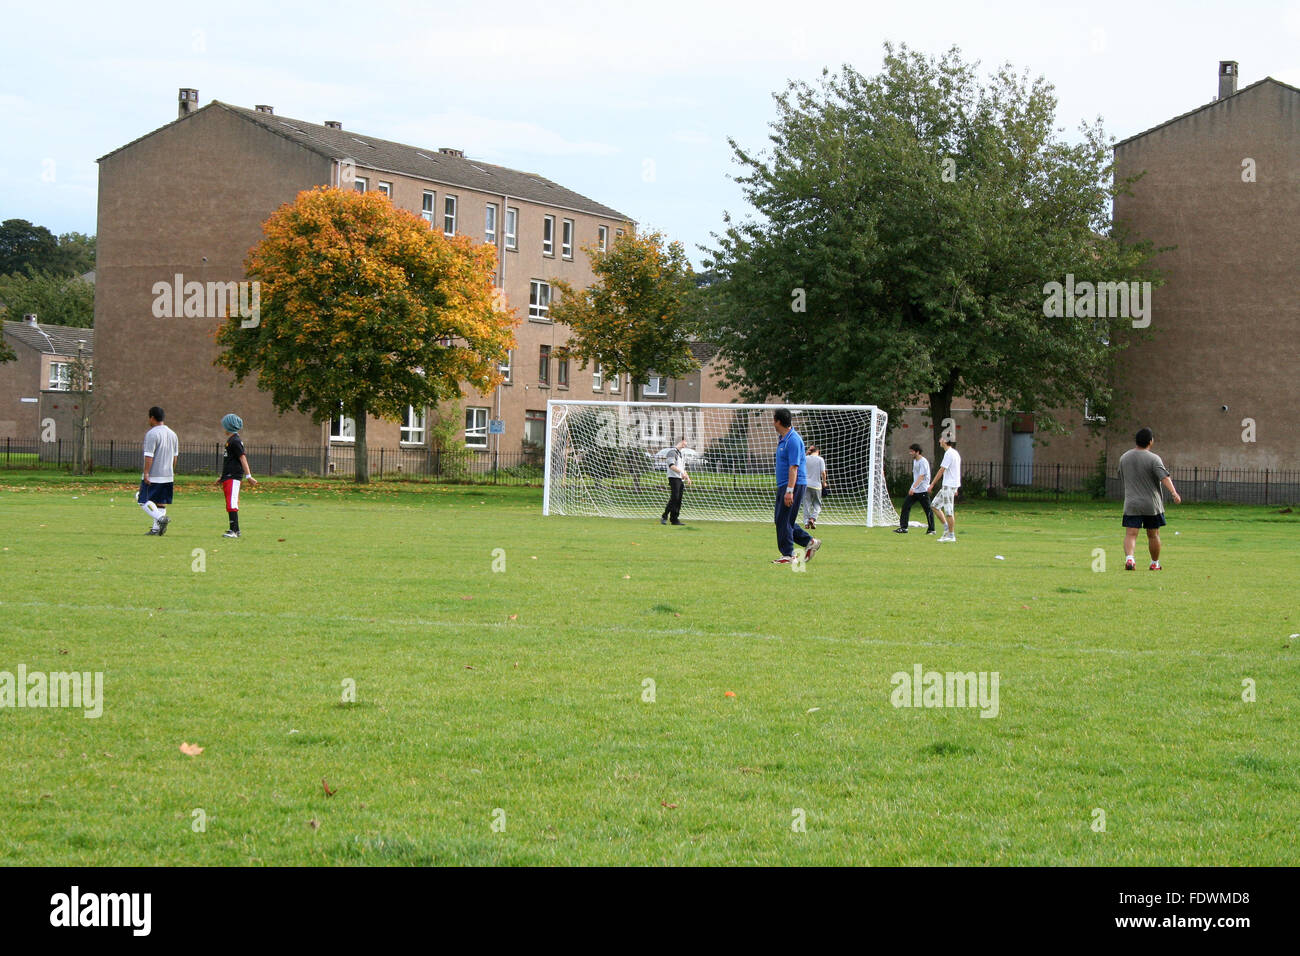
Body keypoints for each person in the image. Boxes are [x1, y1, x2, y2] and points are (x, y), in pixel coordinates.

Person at [1117, 427, 1181, 570]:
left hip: (1131, 503)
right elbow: (1164, 477)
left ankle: (1130, 559)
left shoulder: (1124, 457)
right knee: (1153, 535)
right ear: (1150, 441)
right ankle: (1154, 563)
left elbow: (1121, 476)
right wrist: (1174, 493)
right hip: (1151, 504)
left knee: (1131, 533)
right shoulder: (1153, 458)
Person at [772, 408, 821, 564]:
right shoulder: (784, 438)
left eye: (774, 419)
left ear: (778, 421)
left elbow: (794, 467)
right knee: (783, 520)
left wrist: (789, 491)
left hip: (793, 484)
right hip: (785, 484)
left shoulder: (793, 439)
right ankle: (809, 542)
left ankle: (788, 555)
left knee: (783, 520)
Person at [139, 406, 178, 536]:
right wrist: (171, 471)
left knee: (142, 500)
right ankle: (156, 529)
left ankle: (161, 519)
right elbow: (175, 456)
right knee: (160, 503)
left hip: (154, 475)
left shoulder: (152, 433)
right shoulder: (173, 434)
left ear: (152, 418)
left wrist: (146, 473)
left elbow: (149, 456)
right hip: (168, 475)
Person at [218, 413, 258, 538]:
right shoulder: (230, 441)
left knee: (232, 503)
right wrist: (222, 477)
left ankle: (234, 531)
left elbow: (242, 458)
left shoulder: (235, 441)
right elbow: (230, 461)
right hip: (228, 476)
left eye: (224, 426)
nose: (223, 428)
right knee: (230, 502)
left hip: (233, 477)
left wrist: (248, 476)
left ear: (229, 427)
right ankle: (236, 529)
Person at [895, 443, 936, 535]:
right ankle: (904, 528)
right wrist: (913, 487)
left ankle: (932, 529)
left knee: (928, 510)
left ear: (917, 452)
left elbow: (921, 477)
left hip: (922, 490)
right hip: (915, 490)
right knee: (905, 506)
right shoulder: (915, 461)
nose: (910, 453)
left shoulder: (923, 462)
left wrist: (913, 487)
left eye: (912, 451)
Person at [927, 436, 961, 542]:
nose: (939, 440)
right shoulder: (954, 453)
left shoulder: (949, 453)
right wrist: (956, 487)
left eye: (941, 439)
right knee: (934, 505)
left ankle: (951, 536)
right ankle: (946, 528)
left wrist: (932, 484)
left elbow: (941, 470)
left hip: (948, 486)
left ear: (945, 441)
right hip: (950, 485)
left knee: (948, 511)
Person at [660, 439, 691, 526]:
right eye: (685, 442)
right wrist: (681, 473)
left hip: (680, 479)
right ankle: (665, 516)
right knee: (675, 498)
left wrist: (687, 477)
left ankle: (674, 519)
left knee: (678, 499)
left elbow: (682, 468)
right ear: (681, 441)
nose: (686, 444)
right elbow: (671, 466)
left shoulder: (681, 454)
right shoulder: (672, 452)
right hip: (673, 478)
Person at [802, 444, 828, 529]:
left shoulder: (805, 458)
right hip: (816, 485)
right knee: (817, 504)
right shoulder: (820, 459)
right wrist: (824, 483)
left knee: (806, 504)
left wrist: (806, 453)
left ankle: (806, 523)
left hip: (806, 484)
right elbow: (823, 473)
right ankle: (813, 518)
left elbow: (800, 462)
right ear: (818, 451)